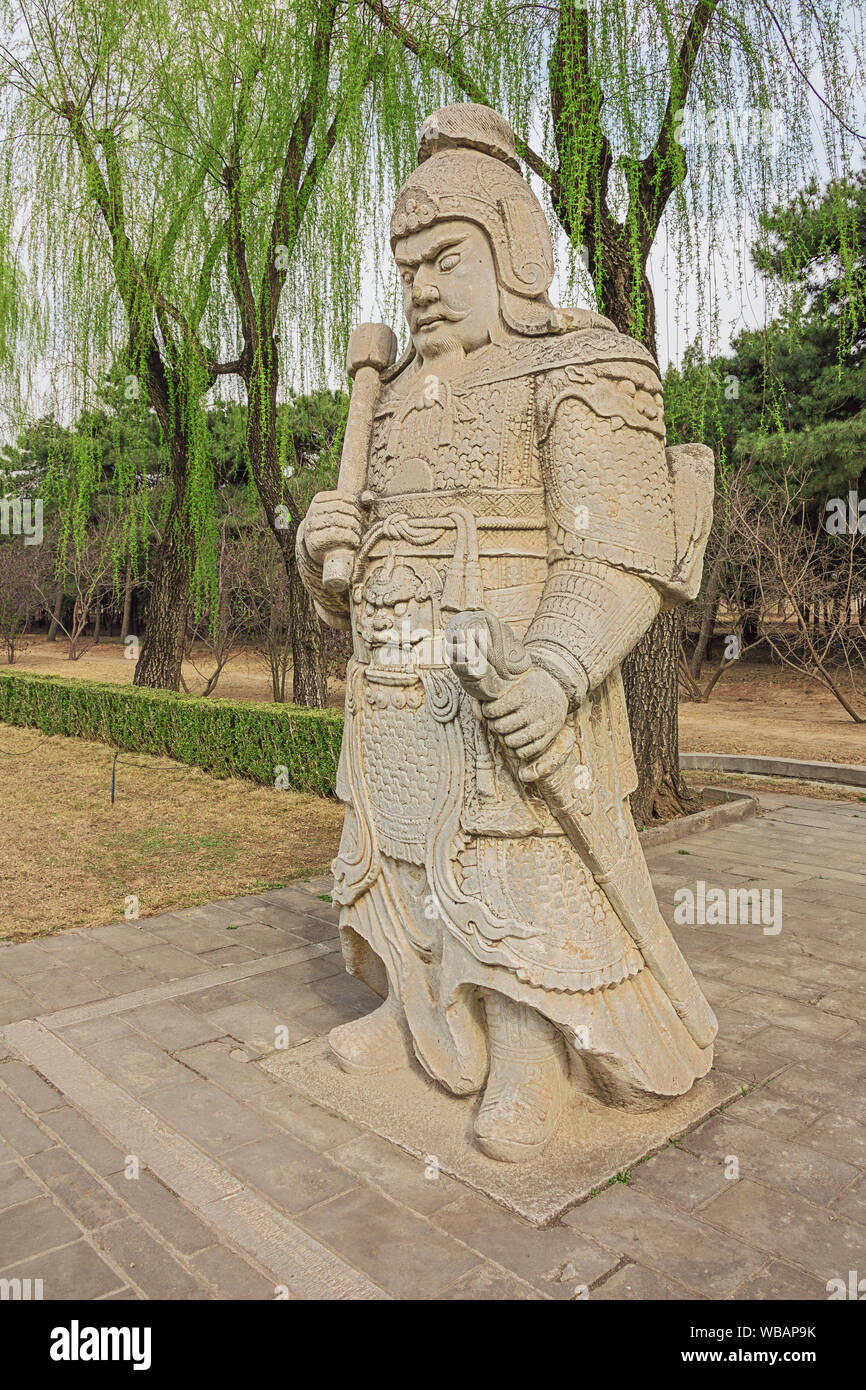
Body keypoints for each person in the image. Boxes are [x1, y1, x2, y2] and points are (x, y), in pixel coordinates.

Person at [297, 102, 716, 1163]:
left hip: (516, 663)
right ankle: (411, 1014)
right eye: (408, 271)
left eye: (445, 258)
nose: (423, 288)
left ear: (511, 252)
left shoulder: (585, 365)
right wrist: (324, 554)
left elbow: (621, 547)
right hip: (396, 682)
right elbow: (359, 570)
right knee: (398, 857)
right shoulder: (384, 402)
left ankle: (533, 1056)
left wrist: (558, 669)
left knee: (520, 865)